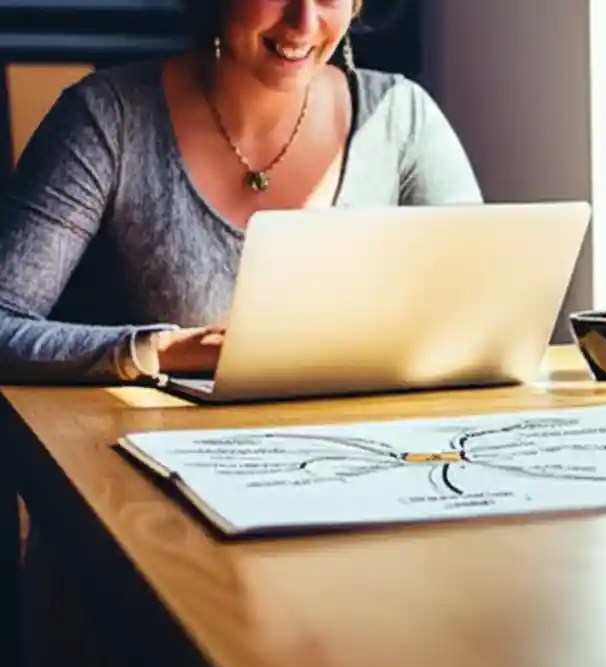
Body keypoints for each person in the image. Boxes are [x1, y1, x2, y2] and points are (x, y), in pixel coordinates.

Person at [0, 0, 482, 384]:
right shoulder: (108, 121)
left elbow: (488, 321)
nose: (303, 21)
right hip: (141, 477)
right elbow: (5, 325)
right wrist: (163, 352)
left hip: (362, 466)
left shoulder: (402, 118)